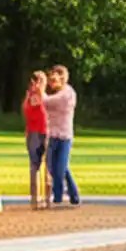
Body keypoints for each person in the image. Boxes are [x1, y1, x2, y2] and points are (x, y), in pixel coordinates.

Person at [42, 64, 80, 205]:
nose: (51, 84)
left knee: (60, 168)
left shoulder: (67, 94)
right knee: (54, 167)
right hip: (52, 135)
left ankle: (57, 198)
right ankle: (74, 195)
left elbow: (46, 102)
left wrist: (40, 89)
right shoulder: (58, 94)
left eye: (54, 80)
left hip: (64, 136)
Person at [22, 71, 49, 209]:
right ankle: (35, 199)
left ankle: (46, 198)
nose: (37, 84)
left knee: (46, 167)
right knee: (35, 166)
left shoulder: (43, 97)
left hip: (44, 132)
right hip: (35, 133)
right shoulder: (33, 97)